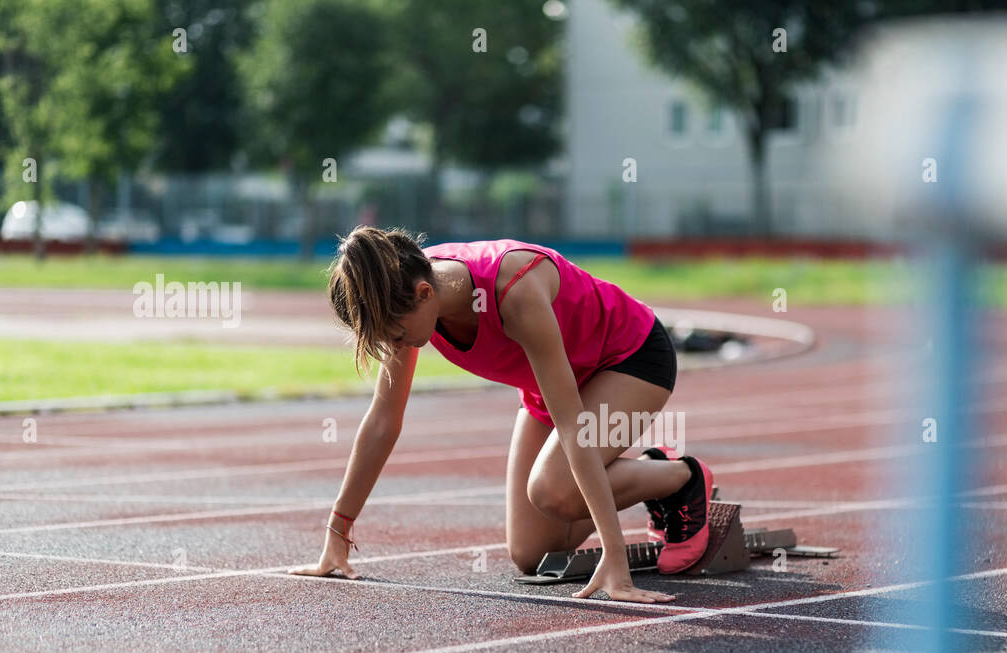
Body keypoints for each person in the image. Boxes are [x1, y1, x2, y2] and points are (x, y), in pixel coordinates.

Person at [291, 226, 713, 603]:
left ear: (424, 294)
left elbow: (572, 425)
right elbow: (384, 419)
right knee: (531, 554)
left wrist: (614, 556)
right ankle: (651, 472)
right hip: (552, 383)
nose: (397, 346)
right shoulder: (405, 287)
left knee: (553, 488)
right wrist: (337, 533)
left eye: (397, 335)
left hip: (630, 357)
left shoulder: (514, 290)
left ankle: (681, 479)